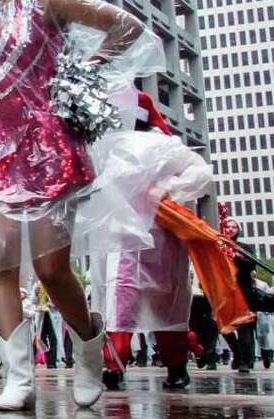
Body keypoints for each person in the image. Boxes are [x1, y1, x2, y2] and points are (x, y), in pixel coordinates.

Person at [0, 0, 160, 413]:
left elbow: (123, 27)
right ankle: (18, 376)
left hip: (48, 141)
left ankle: (88, 350)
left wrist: (83, 75)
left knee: (51, 267)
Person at [80, 92, 209, 393]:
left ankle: (175, 366)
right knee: (119, 306)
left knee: (168, 305)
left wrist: (168, 188)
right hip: (123, 241)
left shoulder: (164, 146)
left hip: (162, 238)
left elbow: (199, 172)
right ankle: (115, 365)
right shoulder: (107, 149)